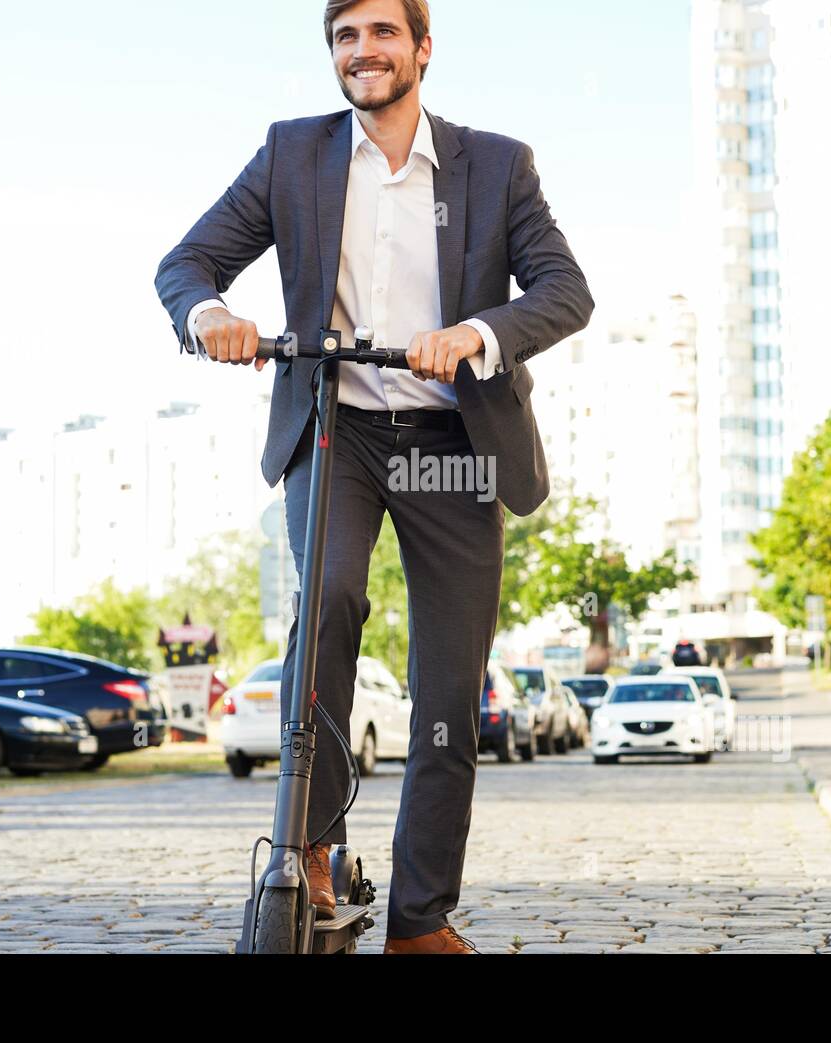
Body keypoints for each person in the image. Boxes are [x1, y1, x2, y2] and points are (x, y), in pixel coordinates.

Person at [154, 0, 593, 954]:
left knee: (447, 686)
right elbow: (187, 262)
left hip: (454, 440)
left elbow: (566, 290)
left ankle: (419, 919)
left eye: (383, 33)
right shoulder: (293, 154)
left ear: (422, 49)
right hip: (337, 425)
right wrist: (210, 315)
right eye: (346, 38)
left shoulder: (496, 163)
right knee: (328, 606)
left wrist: (475, 334)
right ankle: (310, 849)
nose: (364, 52)